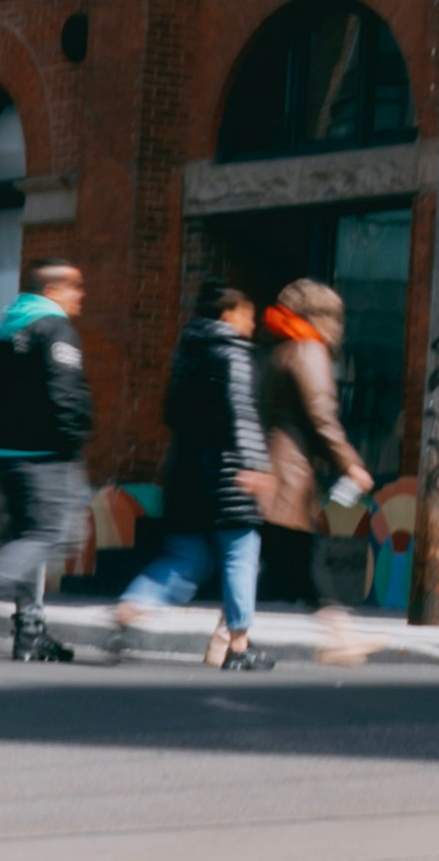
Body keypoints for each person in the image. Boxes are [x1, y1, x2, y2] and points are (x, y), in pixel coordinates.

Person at [114, 278, 272, 673]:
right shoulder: (232, 354)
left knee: (187, 556)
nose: (252, 322)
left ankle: (134, 603)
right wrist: (255, 466)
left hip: (186, 472)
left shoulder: (187, 353)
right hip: (228, 473)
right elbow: (242, 415)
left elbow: (171, 413)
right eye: (248, 314)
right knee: (240, 554)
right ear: (229, 315)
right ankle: (239, 645)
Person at [0, 252, 89, 663]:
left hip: (4, 452)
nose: (81, 295)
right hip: (45, 452)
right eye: (75, 287)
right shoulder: (55, 329)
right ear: (52, 290)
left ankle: (30, 635)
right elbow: (64, 392)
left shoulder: (6, 328)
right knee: (52, 534)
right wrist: (72, 439)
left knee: (29, 536)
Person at [256, 280, 379, 663]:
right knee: (307, 565)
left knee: (271, 563)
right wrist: (351, 463)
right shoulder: (309, 350)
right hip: (289, 477)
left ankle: (338, 639)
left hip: (270, 473)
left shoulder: (279, 351)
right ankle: (340, 640)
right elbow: (322, 416)